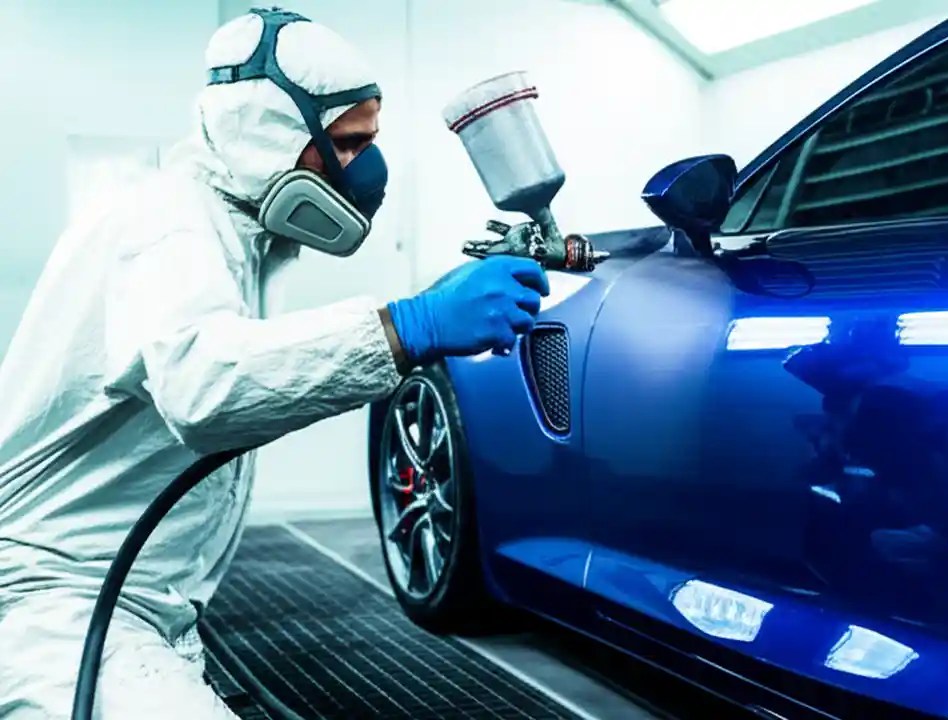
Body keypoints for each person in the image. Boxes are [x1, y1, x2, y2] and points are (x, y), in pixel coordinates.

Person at [0, 8, 548, 718]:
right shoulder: (168, 224)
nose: (368, 169)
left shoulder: (229, 232)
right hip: (55, 604)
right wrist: (409, 326)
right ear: (274, 137)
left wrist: (417, 314)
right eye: (350, 144)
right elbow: (204, 384)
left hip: (136, 602)